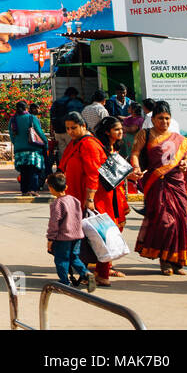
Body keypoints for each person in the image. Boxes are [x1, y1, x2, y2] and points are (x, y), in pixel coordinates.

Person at [130, 101, 187, 274]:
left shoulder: (178, 139)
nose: (164, 122)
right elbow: (135, 153)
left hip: (177, 183)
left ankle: (177, 261)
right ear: (153, 119)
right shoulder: (146, 134)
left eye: (167, 118)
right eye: (160, 118)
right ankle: (164, 260)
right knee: (164, 222)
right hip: (156, 183)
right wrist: (135, 167)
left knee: (181, 220)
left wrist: (185, 163)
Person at [92, 116, 129, 286]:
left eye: (121, 129)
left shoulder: (116, 147)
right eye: (116, 129)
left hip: (117, 194)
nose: (120, 132)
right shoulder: (100, 148)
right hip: (104, 195)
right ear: (107, 132)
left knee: (115, 230)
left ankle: (105, 268)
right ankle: (102, 272)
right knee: (107, 233)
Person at [58, 112, 104, 243]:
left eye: (73, 128)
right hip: (75, 195)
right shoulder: (75, 142)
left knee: (91, 235)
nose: (70, 132)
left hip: (86, 196)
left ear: (83, 126)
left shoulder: (88, 144)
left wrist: (90, 199)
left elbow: (93, 174)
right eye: (67, 129)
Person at [46, 171, 94, 289]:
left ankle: (64, 282)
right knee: (74, 257)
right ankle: (86, 273)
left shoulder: (57, 204)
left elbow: (54, 223)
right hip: (77, 236)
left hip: (63, 237)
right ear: (66, 187)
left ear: (51, 188)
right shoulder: (74, 200)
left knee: (61, 259)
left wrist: (50, 238)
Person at [8, 101, 48, 195]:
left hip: (19, 150)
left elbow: (11, 135)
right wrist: (45, 142)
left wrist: (17, 143)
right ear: (26, 108)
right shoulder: (32, 117)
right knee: (33, 170)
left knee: (23, 171)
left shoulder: (13, 119)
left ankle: (24, 190)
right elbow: (39, 131)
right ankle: (33, 190)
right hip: (32, 149)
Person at [52, 88, 81, 159]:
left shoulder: (56, 102)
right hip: (68, 131)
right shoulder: (72, 102)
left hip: (57, 131)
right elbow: (76, 117)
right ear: (73, 95)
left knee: (62, 152)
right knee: (72, 150)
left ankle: (64, 168)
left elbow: (52, 117)